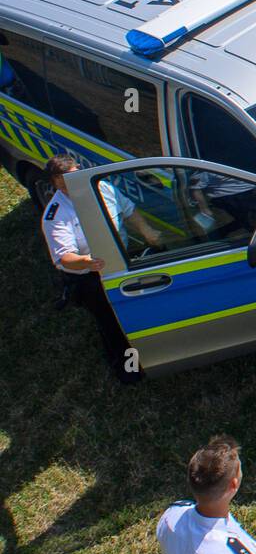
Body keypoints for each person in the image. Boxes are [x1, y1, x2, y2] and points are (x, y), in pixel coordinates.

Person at [40, 153, 160, 383]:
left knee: (134, 314)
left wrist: (146, 231)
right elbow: (64, 257)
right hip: (91, 276)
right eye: (65, 180)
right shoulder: (56, 215)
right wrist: (88, 262)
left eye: (75, 176)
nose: (73, 183)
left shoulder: (101, 188)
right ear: (55, 182)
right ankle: (128, 369)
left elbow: (128, 210)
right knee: (112, 324)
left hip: (121, 262)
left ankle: (152, 352)